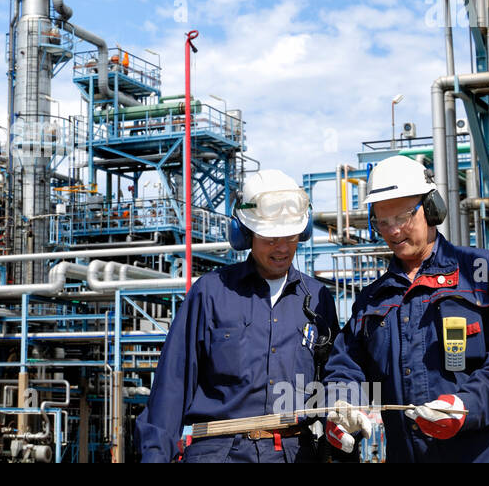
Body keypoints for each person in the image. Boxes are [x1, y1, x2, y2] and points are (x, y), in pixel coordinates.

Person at [323, 155, 489, 462]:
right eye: (383, 222)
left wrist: (466, 405)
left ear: (432, 210)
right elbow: (346, 367)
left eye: (403, 218)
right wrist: (343, 406)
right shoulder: (372, 300)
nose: (393, 231)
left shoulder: (483, 272)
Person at [136, 170, 339, 463]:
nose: (282, 248)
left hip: (294, 453)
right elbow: (172, 384)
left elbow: (335, 377)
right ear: (246, 234)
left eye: (290, 237)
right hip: (219, 452)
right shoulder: (210, 293)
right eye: (270, 238)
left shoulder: (319, 299)